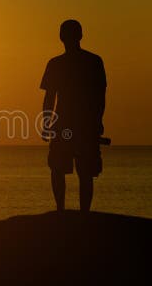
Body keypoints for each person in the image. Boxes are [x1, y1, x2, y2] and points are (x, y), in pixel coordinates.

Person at [40, 19, 107, 212]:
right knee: (78, 170)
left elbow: (49, 97)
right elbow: (100, 96)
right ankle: (80, 212)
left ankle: (62, 210)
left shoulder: (57, 64)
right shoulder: (93, 61)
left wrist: (46, 122)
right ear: (80, 35)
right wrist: (98, 120)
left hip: (67, 124)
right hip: (80, 124)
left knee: (62, 168)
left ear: (61, 37)